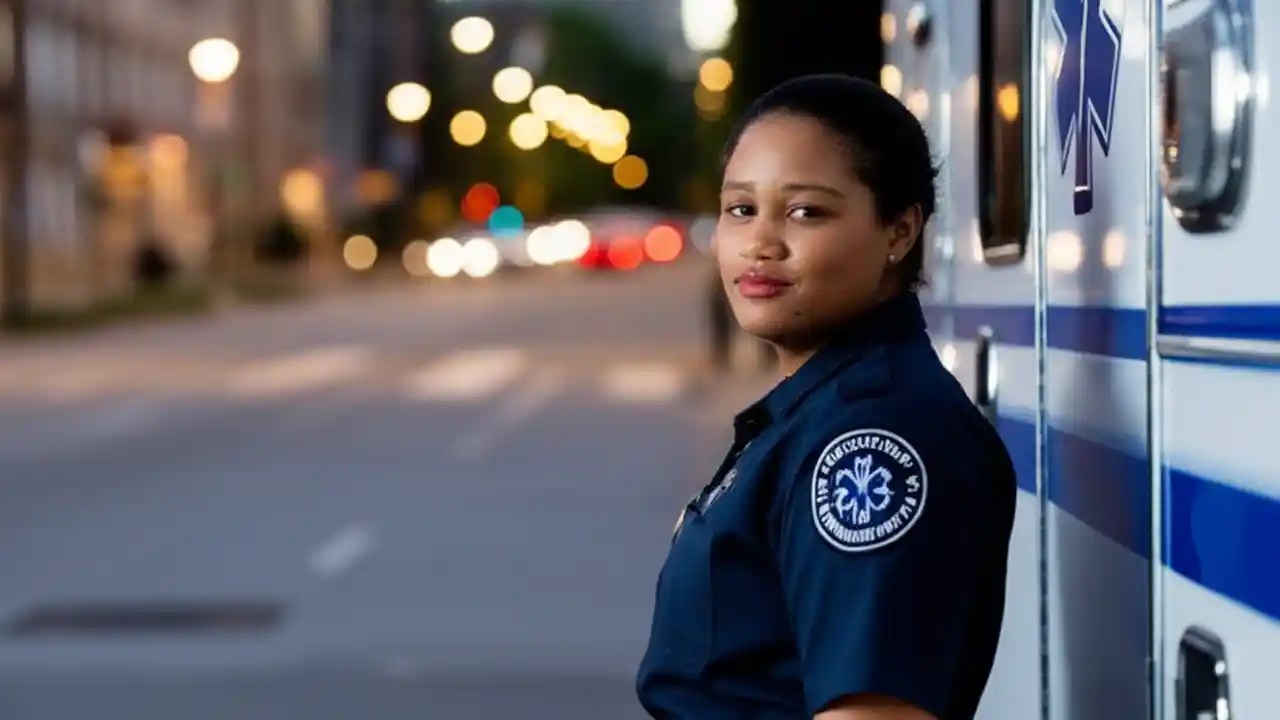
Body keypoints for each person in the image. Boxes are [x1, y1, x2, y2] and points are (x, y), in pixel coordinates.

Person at [636, 74, 1017, 719]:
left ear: (899, 231)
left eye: (806, 211)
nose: (761, 243)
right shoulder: (820, 407)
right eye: (740, 209)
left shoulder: (871, 440)